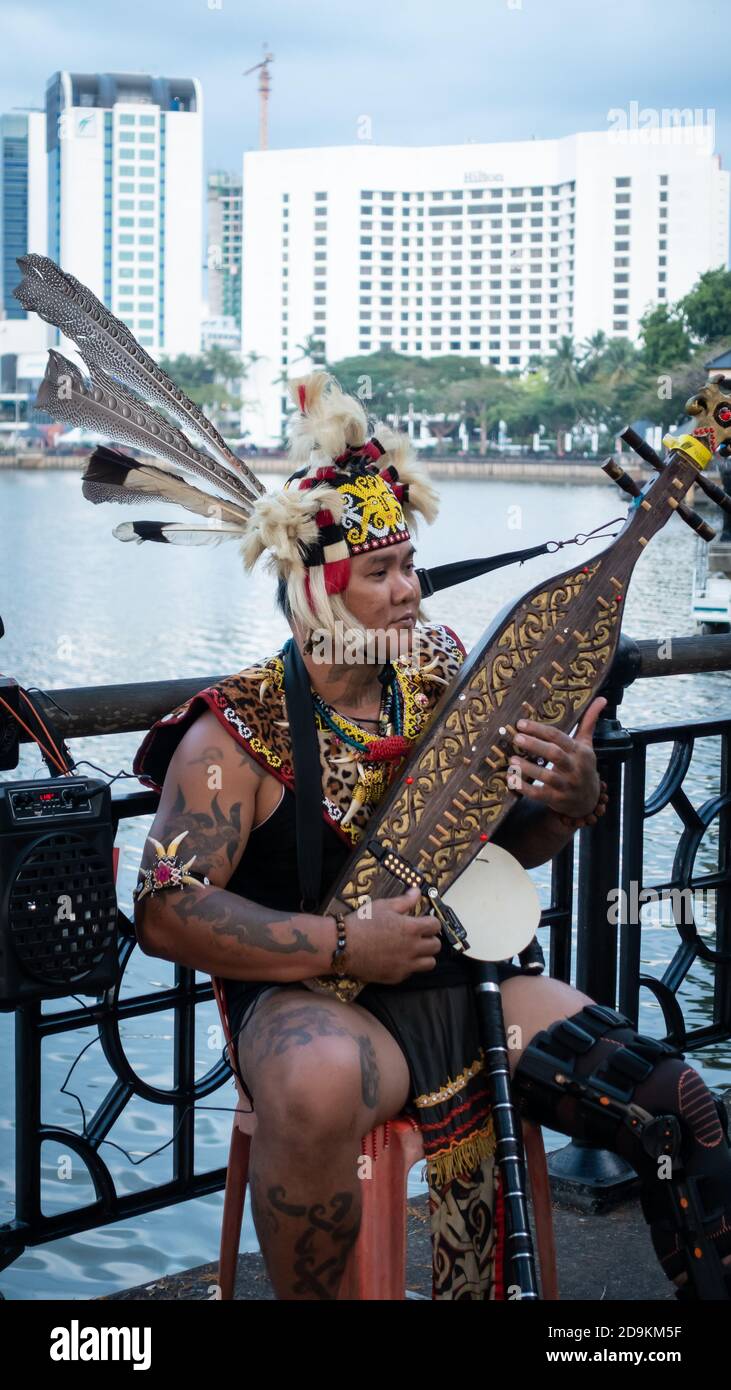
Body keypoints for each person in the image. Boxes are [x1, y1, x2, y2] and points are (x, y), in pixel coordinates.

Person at [128, 371, 731, 1303]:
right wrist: (343, 942)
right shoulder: (235, 730)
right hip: (311, 998)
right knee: (316, 1084)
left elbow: (504, 846)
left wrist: (570, 800)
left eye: (411, 563)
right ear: (317, 591)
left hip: (456, 977)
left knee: (675, 1105)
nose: (411, 592)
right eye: (380, 573)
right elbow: (165, 911)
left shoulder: (446, 670)